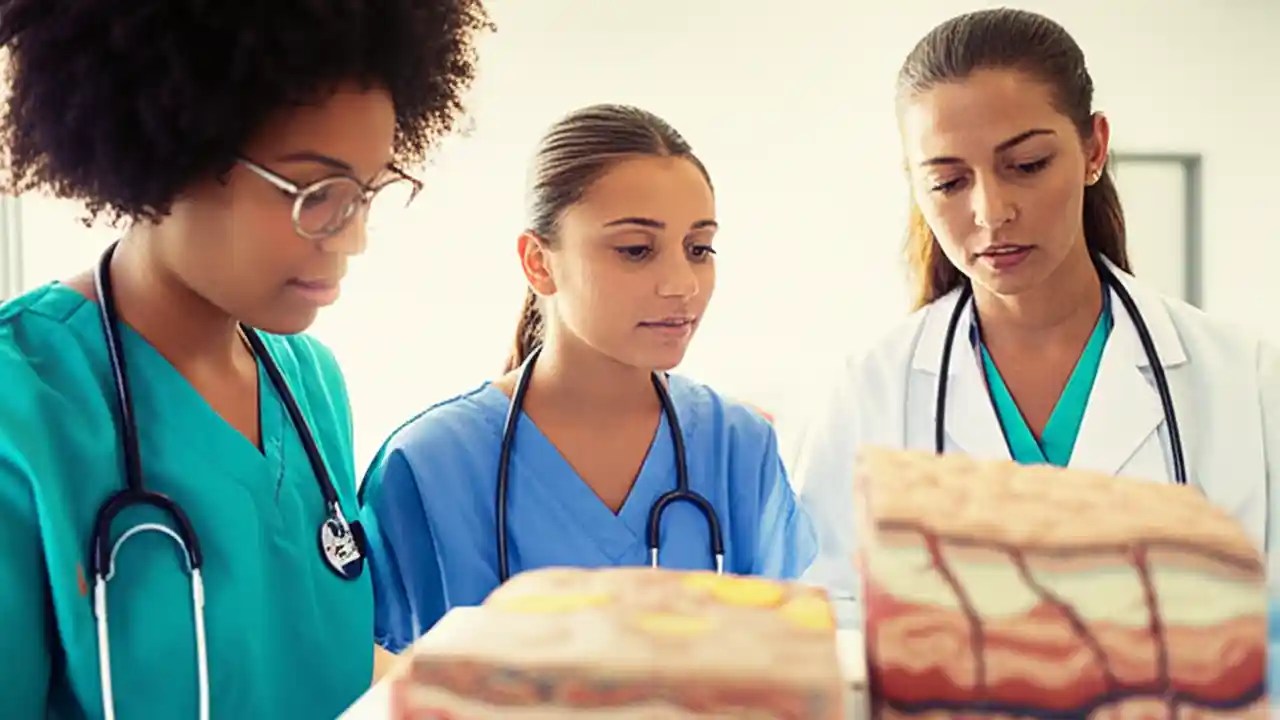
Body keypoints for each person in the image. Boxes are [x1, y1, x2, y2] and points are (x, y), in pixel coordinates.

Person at [0, 1, 491, 717]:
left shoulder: (309, 382)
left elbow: (303, 653)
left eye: (365, 193)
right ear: (170, 148)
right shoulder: (22, 408)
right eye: (315, 194)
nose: (353, 239)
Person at [786, 7, 1280, 629]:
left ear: (1094, 148)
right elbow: (831, 622)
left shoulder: (1245, 379)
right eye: (948, 182)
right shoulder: (869, 391)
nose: (991, 212)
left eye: (1026, 166)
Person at [358, 103, 818, 656]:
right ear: (538, 262)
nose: (682, 284)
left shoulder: (737, 447)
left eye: (699, 249)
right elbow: (376, 676)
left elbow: (791, 661)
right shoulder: (431, 465)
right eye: (636, 250)